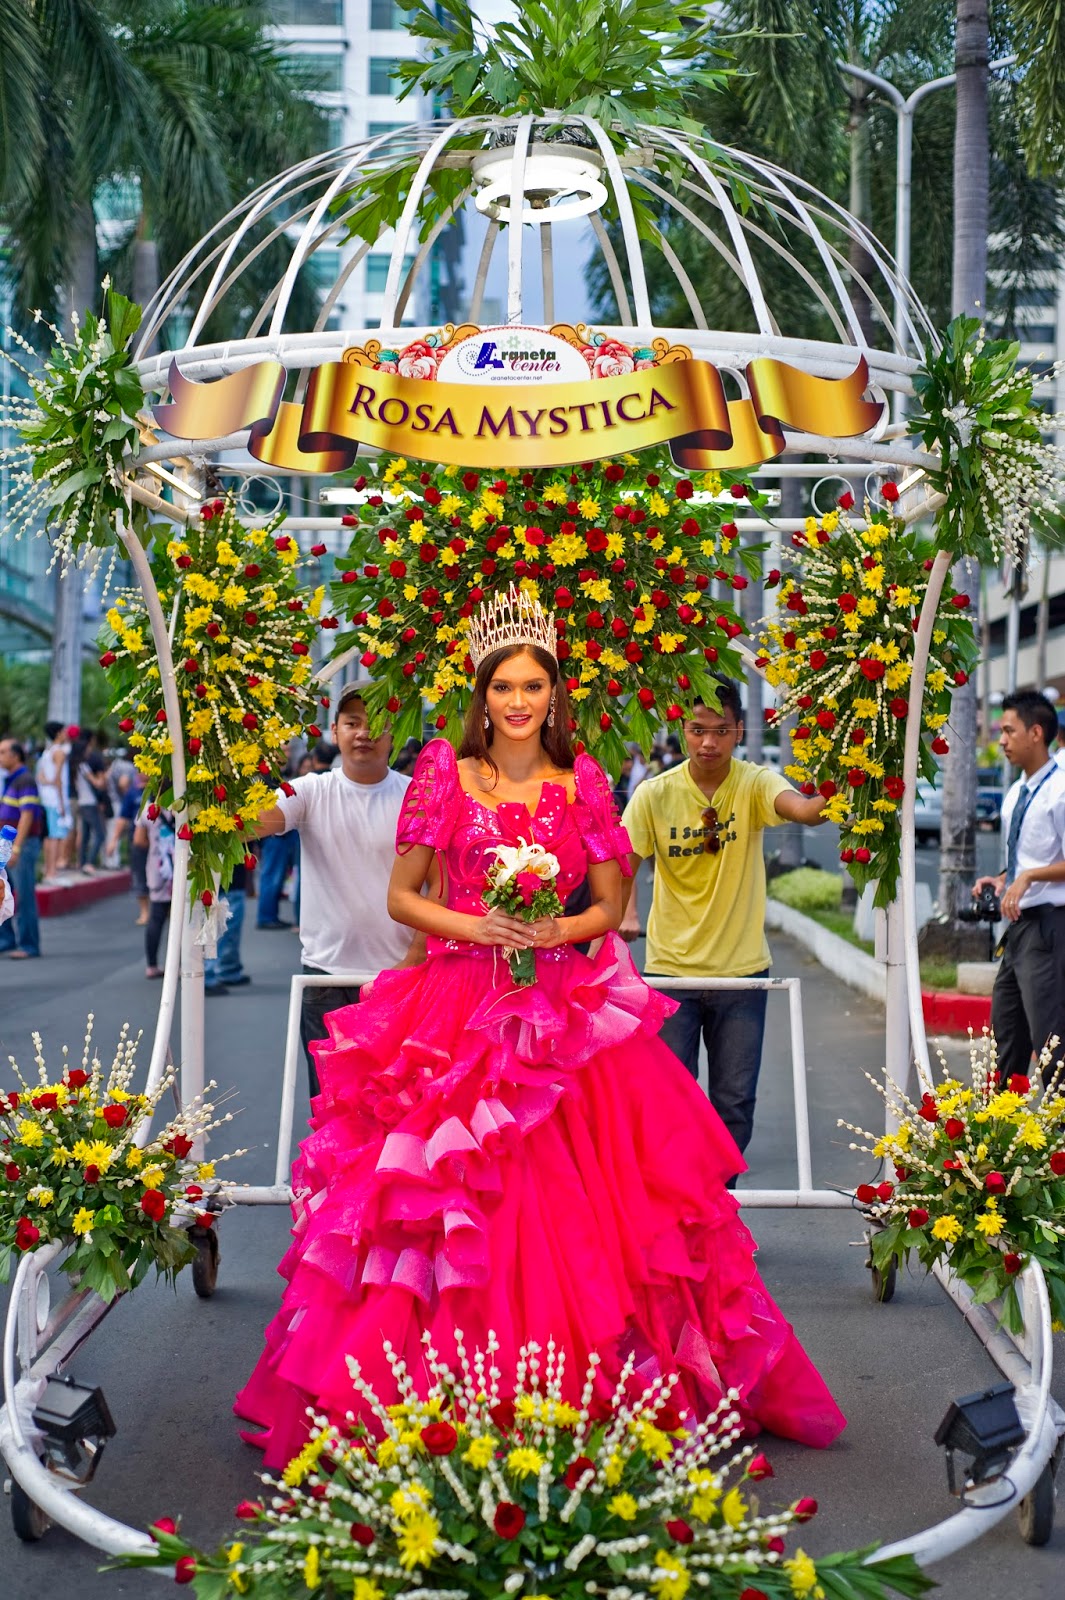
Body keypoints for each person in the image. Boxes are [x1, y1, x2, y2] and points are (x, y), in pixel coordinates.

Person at [234, 589, 844, 1471]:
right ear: (480, 693)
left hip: (561, 1003)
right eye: (503, 685)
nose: (518, 701)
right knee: (447, 1197)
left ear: (554, 694)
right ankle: (436, 1395)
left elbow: (610, 899)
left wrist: (560, 930)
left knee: (592, 1201)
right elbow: (403, 896)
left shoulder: (585, 778)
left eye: (533, 686)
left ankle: (572, 1387)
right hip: (454, 1001)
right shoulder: (445, 770)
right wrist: (473, 926)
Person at [619, 682, 828, 1161]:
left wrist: (837, 778)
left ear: (738, 732)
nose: (708, 743)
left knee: (734, 1103)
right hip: (671, 971)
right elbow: (622, 867)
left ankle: (720, 1204)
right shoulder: (654, 795)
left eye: (720, 731)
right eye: (697, 731)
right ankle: (682, 1204)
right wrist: (628, 912)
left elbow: (804, 810)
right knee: (672, 1100)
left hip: (741, 974)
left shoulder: (755, 783)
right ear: (683, 731)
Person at [251, 684, 416, 1095]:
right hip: (325, 980)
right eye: (352, 722)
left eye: (374, 723)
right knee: (329, 1108)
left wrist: (415, 959)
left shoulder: (416, 796)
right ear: (335, 731)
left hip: (399, 979)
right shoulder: (310, 791)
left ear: (392, 731)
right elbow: (251, 824)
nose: (363, 733)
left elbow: (438, 886)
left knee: (397, 1111)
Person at [974, 690, 1065, 1078]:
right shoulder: (1017, 792)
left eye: (1009, 731)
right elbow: (1024, 860)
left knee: (1052, 1046)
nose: (1002, 740)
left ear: (1036, 733)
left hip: (1049, 929)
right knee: (1005, 1041)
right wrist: (1000, 879)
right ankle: (1001, 1134)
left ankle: (1058, 1131)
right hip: (1017, 932)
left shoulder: (1060, 791)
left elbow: (1037, 868)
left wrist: (1028, 877)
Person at [0, 738, 45, 960]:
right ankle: (7, 940)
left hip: (22, 846)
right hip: (9, 846)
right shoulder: (13, 780)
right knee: (4, 893)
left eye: (2, 752)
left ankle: (29, 945)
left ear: (15, 755)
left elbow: (27, 814)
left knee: (24, 895)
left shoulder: (24, 779)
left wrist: (16, 848)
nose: (0, 757)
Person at [134, 805, 176, 977]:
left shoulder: (146, 809)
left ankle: (151, 966)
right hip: (182, 867)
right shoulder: (184, 805)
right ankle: (180, 966)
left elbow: (138, 841)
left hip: (157, 867)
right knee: (181, 920)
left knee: (156, 917)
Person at [35, 721, 71, 883]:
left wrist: (48, 783)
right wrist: (62, 803)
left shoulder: (46, 752)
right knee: (55, 836)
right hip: (55, 799)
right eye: (63, 731)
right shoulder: (59, 752)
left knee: (49, 836)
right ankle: (52, 872)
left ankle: (48, 870)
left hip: (45, 797)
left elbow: (41, 778)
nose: (66, 734)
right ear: (58, 733)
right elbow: (58, 779)